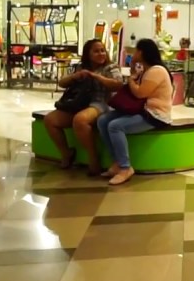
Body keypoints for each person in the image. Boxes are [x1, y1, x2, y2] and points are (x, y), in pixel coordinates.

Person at [97, 38, 173, 186]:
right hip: (143, 110)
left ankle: (125, 168)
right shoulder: (146, 70)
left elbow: (140, 93)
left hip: (155, 115)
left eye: (137, 50)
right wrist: (133, 67)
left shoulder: (157, 71)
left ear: (143, 52)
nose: (134, 53)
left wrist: (131, 79)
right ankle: (117, 162)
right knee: (103, 120)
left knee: (115, 126)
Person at [42, 39, 123, 175]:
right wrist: (75, 76)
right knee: (50, 120)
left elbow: (118, 84)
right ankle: (66, 153)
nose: (101, 54)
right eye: (96, 51)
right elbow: (62, 83)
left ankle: (93, 157)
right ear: (88, 54)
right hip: (79, 102)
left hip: (101, 103)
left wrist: (96, 77)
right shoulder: (81, 67)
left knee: (80, 119)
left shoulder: (110, 67)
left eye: (102, 50)